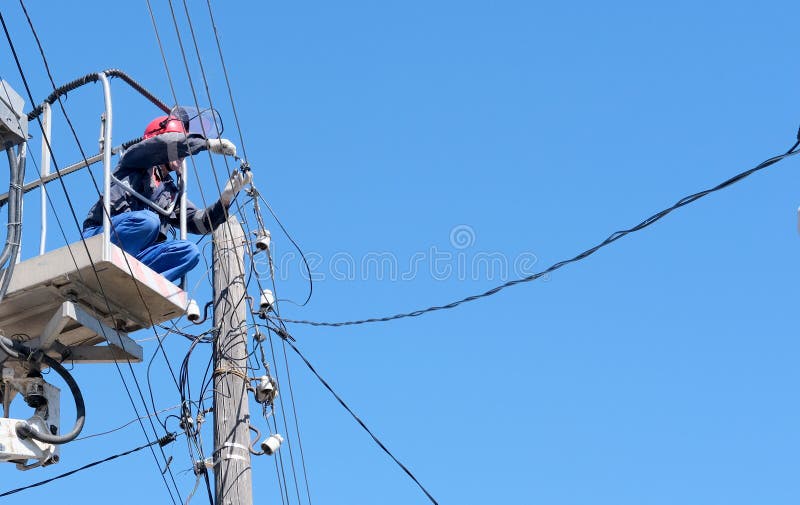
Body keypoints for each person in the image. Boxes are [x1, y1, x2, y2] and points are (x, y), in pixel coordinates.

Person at [82, 108, 251, 281]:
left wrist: (226, 198)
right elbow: (164, 145)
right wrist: (205, 144)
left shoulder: (170, 192)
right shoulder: (134, 159)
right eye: (180, 143)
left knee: (188, 252)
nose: (183, 155)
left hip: (135, 256)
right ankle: (119, 269)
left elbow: (201, 223)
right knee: (149, 221)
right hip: (100, 236)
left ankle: (138, 284)